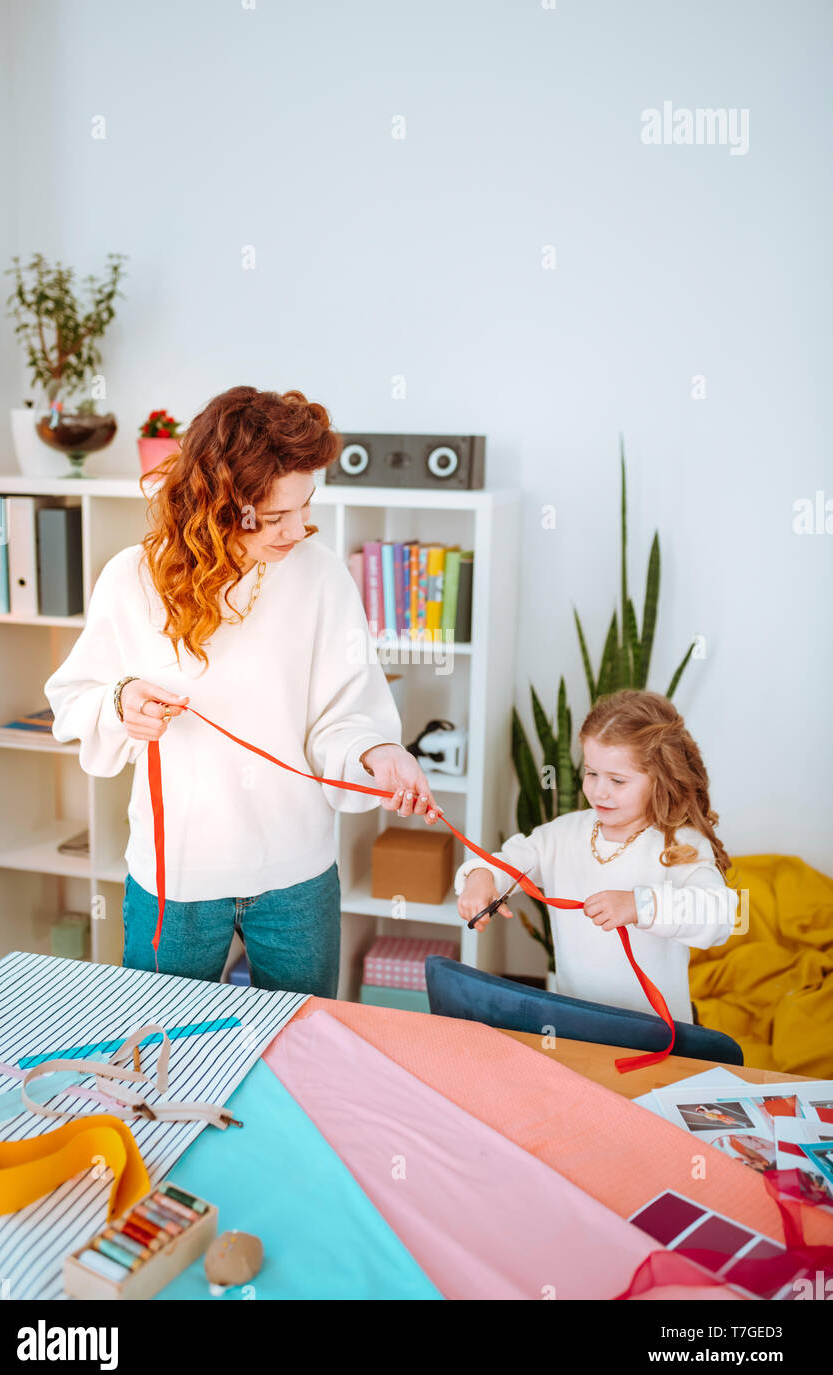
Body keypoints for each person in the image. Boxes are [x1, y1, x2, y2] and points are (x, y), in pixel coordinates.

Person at [45, 385, 440, 993]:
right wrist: (120, 703)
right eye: (277, 517)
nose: (299, 529)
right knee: (158, 1052)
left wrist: (376, 753)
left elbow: (344, 715)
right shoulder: (132, 579)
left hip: (297, 875)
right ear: (214, 504)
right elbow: (75, 698)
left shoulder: (321, 576)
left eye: (306, 507)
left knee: (301, 1049)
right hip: (176, 877)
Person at [455, 690, 737, 1024]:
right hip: (578, 1028)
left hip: (658, 1037)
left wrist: (638, 905)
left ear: (659, 780)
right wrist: (482, 878)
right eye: (591, 773)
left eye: (617, 780)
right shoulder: (562, 835)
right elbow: (507, 862)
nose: (599, 791)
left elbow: (721, 914)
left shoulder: (680, 845)